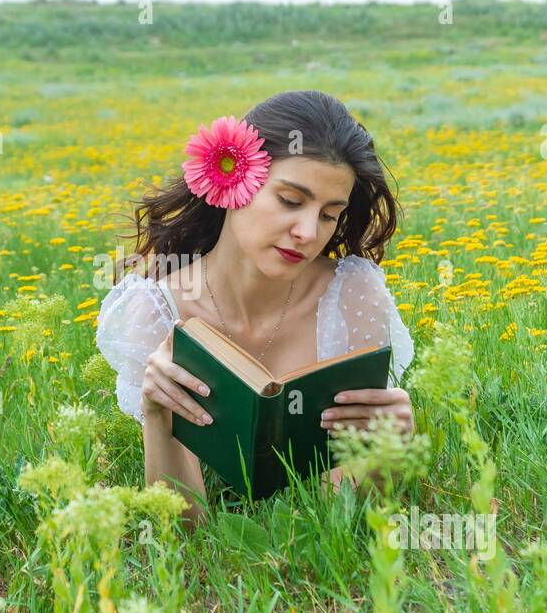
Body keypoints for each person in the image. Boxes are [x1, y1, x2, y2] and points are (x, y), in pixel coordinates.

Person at [95, 90, 415, 528]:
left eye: (329, 214)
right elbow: (186, 528)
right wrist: (157, 414)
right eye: (289, 200)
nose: (307, 231)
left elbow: (346, 513)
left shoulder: (353, 295)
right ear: (232, 183)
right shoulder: (156, 309)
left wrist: (388, 450)